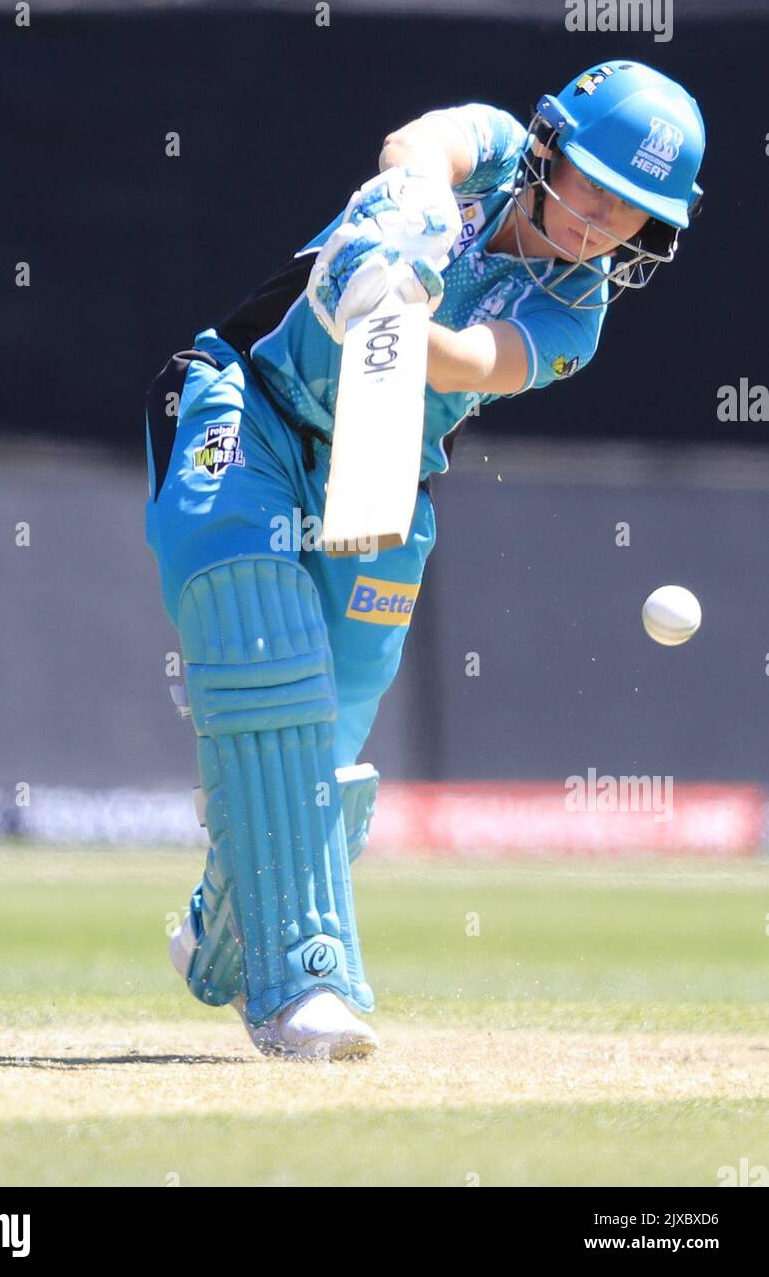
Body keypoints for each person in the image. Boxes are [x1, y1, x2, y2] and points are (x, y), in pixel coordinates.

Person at [145, 59, 705, 1059]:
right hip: (247, 404)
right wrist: (400, 230)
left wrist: (398, 318)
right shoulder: (488, 146)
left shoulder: (576, 314)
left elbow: (472, 361)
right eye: (589, 189)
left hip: (381, 479)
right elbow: (416, 145)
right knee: (259, 654)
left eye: (628, 215)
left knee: (317, 762)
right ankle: (301, 989)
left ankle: (223, 937)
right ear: (543, 150)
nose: (596, 226)